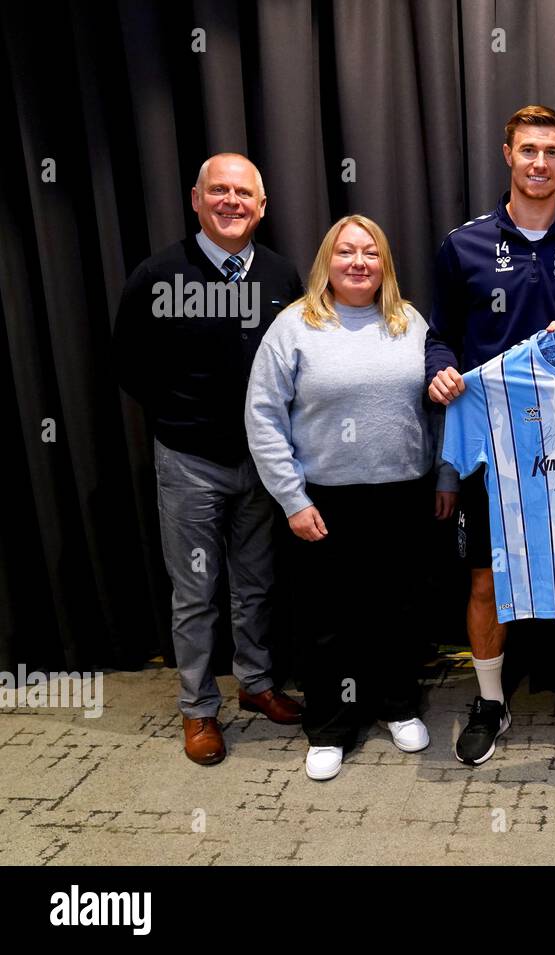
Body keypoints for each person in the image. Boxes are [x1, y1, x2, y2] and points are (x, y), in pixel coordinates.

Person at [424, 105, 555, 764]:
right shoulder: (464, 246)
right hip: (494, 447)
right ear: (507, 155)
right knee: (487, 579)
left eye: (552, 151)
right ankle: (490, 701)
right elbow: (440, 337)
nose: (539, 162)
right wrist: (440, 371)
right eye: (528, 150)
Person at [245, 215, 458, 781]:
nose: (359, 262)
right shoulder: (294, 327)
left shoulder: (408, 322)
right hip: (325, 501)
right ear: (327, 262)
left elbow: (438, 409)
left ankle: (398, 705)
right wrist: (291, 498)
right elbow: (263, 417)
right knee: (327, 620)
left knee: (399, 609)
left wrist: (445, 477)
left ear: (385, 264)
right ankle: (332, 726)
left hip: (404, 494)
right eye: (346, 252)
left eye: (371, 252)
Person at [113, 153, 305, 766]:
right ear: (196, 200)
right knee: (195, 591)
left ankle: (255, 685)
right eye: (218, 191)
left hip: (264, 463)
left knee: (257, 584)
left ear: (262, 205)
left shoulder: (281, 274)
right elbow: (128, 363)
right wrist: (181, 415)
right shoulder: (160, 274)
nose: (231, 202)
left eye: (243, 193)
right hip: (191, 460)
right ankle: (198, 711)